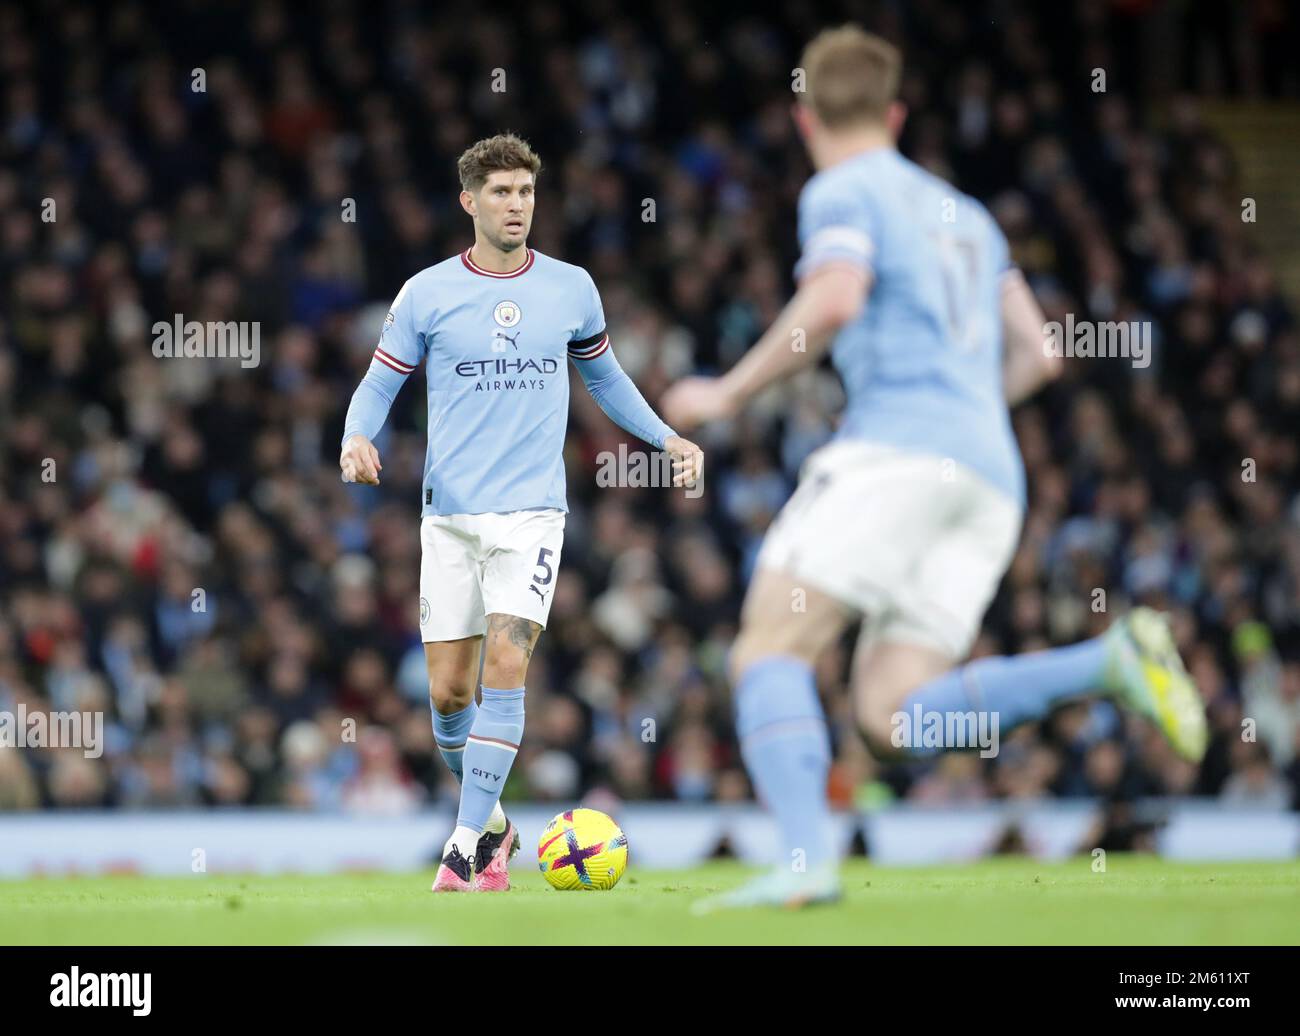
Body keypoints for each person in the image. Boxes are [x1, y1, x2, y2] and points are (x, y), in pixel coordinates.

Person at [662, 26, 1206, 911]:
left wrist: (726, 394)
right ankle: (1108, 661)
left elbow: (835, 296)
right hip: (988, 475)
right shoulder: (970, 217)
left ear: (805, 118)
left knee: (769, 644)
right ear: (897, 111)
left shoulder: (841, 188)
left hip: (897, 451)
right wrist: (966, 409)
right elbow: (1041, 353)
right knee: (893, 720)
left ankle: (803, 868)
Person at [340, 133, 704, 891]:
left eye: (527, 193)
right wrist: (355, 437)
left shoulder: (571, 288)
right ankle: (499, 824)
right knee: (446, 698)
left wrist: (666, 435)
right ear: (469, 201)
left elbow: (605, 382)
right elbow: (380, 384)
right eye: (502, 193)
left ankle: (465, 843)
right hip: (449, 517)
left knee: (506, 666)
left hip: (533, 514)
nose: (517, 206)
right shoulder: (427, 293)